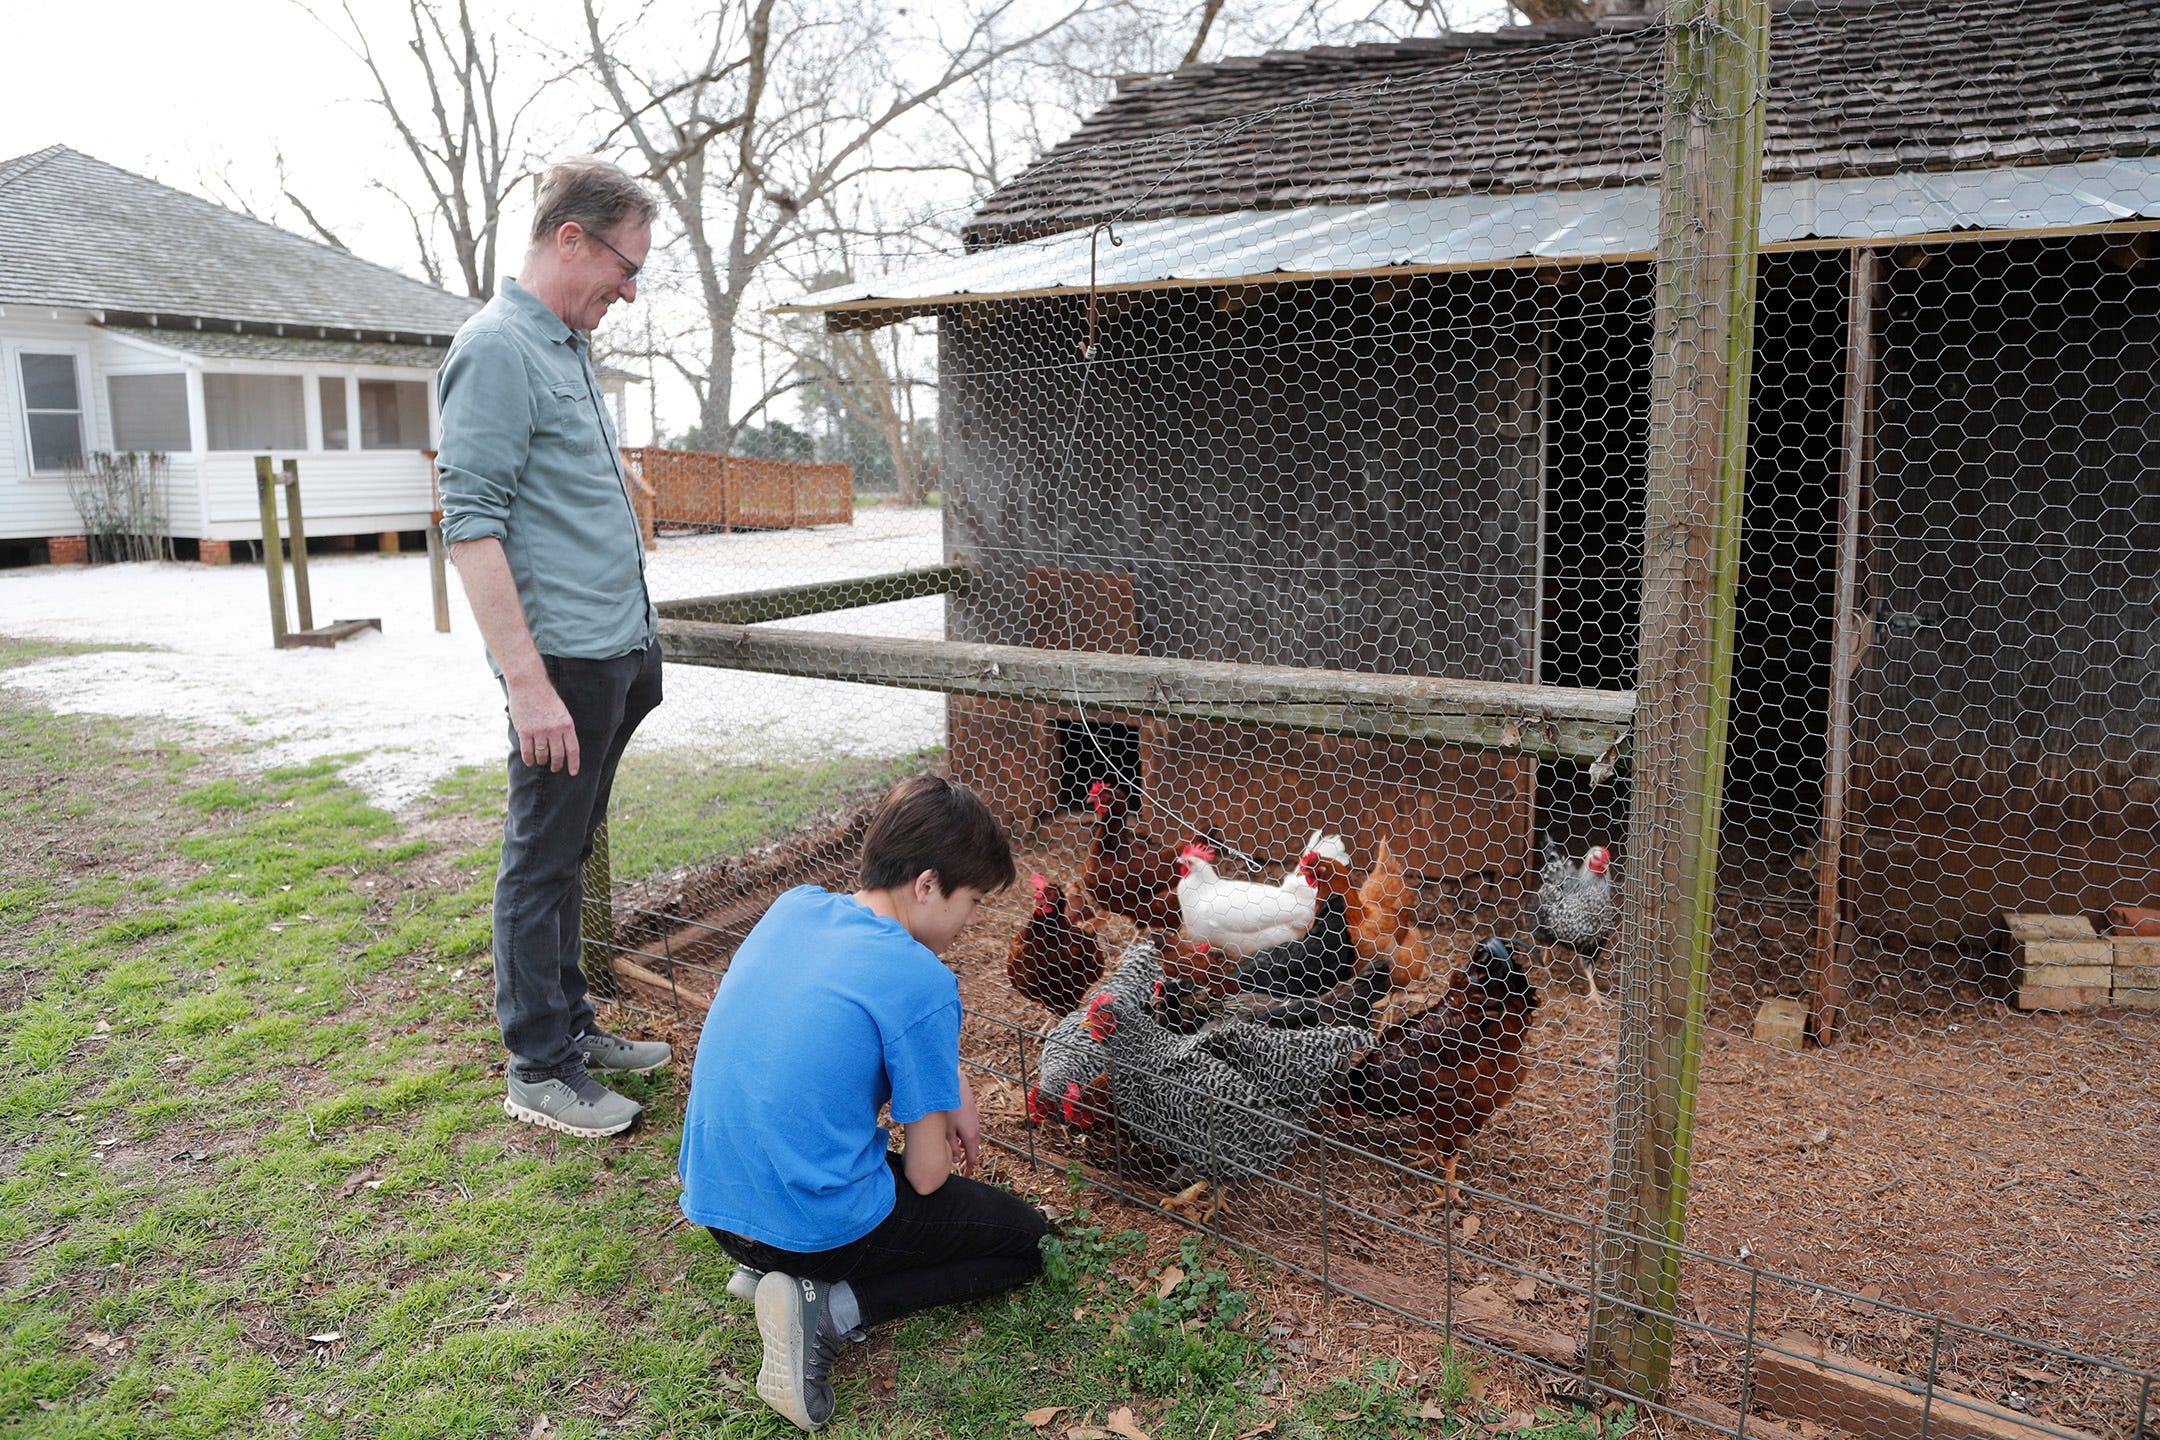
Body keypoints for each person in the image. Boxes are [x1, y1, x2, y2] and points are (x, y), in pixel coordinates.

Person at [678, 776, 1049, 1431]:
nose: (970, 924)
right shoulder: (922, 977)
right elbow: (928, 1175)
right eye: (972, 902)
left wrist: (950, 1082)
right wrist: (949, 1108)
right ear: (928, 886)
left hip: (716, 1204)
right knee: (1023, 1242)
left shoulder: (795, 906)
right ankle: (828, 1308)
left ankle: (763, 1271)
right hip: (811, 1233)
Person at [437, 157, 670, 1139]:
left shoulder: (568, 347)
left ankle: (570, 1027)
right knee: (540, 860)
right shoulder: (496, 348)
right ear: (570, 238)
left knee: (570, 849)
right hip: (561, 667)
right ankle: (538, 1064)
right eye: (625, 265)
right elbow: (471, 523)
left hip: (613, 650)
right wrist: (527, 685)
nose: (629, 288)